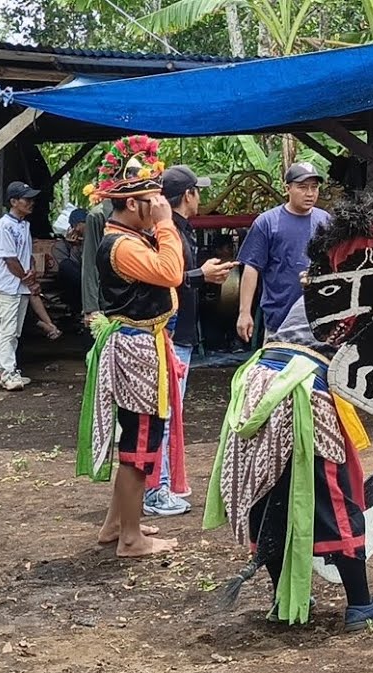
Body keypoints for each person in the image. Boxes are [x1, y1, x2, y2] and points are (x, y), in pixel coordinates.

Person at [205, 294, 373, 630]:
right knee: (333, 498)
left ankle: (283, 596)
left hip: (261, 381)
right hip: (301, 391)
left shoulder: (328, 282)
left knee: (270, 490)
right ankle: (360, 603)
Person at [75, 135, 182, 558]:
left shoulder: (127, 239)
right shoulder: (122, 245)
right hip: (137, 350)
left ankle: (117, 525)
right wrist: (167, 224)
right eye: (153, 200)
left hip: (140, 344)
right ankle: (132, 539)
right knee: (139, 444)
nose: (159, 206)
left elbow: (161, 278)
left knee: (138, 440)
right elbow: (170, 272)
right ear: (134, 204)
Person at [142, 165, 237, 516]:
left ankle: (163, 484)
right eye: (199, 191)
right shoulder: (166, 231)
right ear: (187, 195)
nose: (201, 198)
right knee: (164, 413)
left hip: (178, 332)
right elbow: (164, 277)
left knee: (170, 413)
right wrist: (200, 275)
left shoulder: (180, 229)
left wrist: (202, 276)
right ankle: (156, 489)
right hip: (169, 331)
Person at [237, 162, 330, 342]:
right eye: (302, 187)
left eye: (314, 187)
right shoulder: (267, 222)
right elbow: (252, 268)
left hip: (318, 319)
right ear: (287, 189)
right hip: (279, 319)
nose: (310, 193)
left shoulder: (325, 221)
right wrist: (244, 312)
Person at [0, 181, 41, 391]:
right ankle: (6, 372)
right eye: (26, 199)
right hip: (7, 285)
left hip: (19, 285)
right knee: (9, 330)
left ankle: (7, 370)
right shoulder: (4, 226)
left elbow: (26, 254)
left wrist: (31, 270)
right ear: (13, 202)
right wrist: (27, 278)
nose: (31, 203)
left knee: (15, 331)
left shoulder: (24, 225)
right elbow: (9, 259)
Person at [50, 208, 86, 316]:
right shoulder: (61, 246)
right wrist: (75, 247)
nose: (78, 229)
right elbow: (71, 269)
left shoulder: (93, 239)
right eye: (76, 225)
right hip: (76, 284)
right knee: (67, 266)